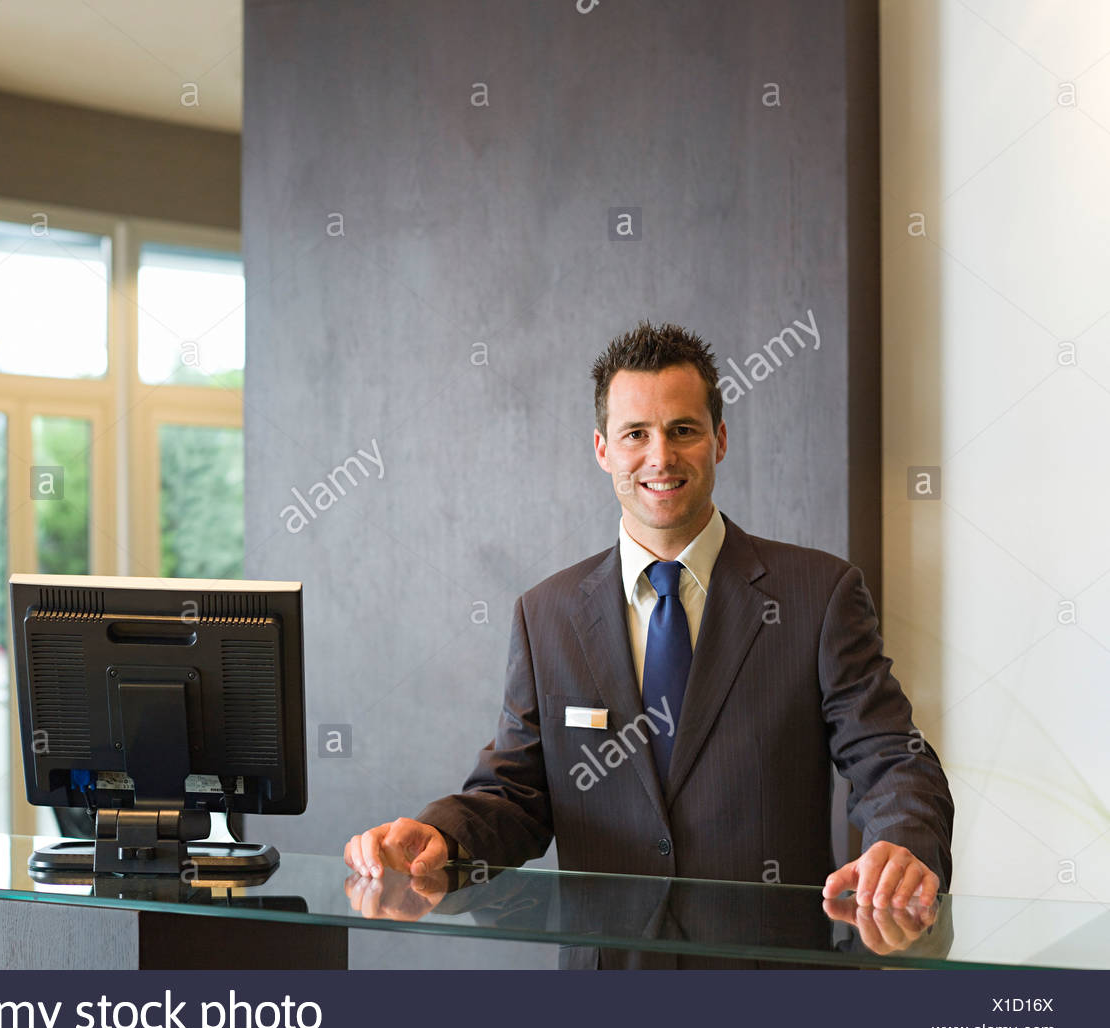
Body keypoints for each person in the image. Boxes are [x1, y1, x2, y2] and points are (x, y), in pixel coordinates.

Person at [345, 321, 954, 957]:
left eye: (682, 430)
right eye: (636, 433)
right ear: (603, 449)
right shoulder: (546, 614)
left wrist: (904, 844)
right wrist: (442, 836)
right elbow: (516, 794)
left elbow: (893, 757)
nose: (660, 457)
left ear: (718, 440)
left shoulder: (817, 594)